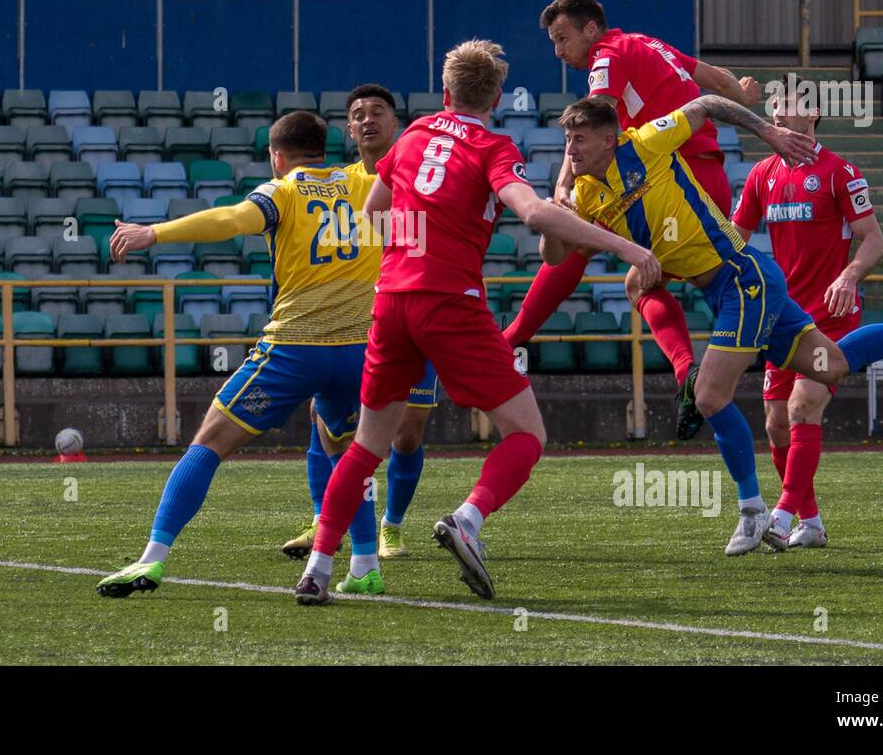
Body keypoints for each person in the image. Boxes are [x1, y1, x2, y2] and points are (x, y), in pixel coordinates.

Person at [294, 39, 662, 605]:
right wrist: (631, 251)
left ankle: (318, 569)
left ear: (445, 91)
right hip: (450, 301)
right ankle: (467, 519)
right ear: (494, 97)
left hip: (391, 301)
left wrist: (411, 253)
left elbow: (370, 219)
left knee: (367, 447)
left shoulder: (413, 134)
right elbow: (537, 213)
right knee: (528, 433)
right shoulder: (493, 145)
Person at [543, 94, 883, 556]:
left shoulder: (646, 144)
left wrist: (767, 132)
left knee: (712, 396)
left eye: (578, 140)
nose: (570, 150)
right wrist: (550, 222)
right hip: (740, 287)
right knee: (832, 366)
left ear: (608, 140)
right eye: (567, 140)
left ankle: (754, 509)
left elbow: (708, 102)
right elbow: (558, 256)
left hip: (744, 281)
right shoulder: (586, 197)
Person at [96, 110, 391, 598]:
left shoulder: (284, 190)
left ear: (277, 157)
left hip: (296, 346)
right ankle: (364, 565)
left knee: (210, 440)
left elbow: (232, 219)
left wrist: (154, 233)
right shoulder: (365, 182)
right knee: (347, 453)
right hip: (360, 350)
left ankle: (152, 560)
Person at [506, 0, 762, 440]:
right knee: (641, 280)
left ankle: (511, 339)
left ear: (591, 30)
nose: (558, 51)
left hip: (675, 181)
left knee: (578, 239)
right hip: (709, 178)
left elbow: (593, 117)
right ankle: (694, 375)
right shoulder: (650, 43)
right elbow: (715, 79)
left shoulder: (607, 55)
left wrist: (563, 185)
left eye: (563, 38)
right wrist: (743, 93)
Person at [281, 84, 439, 563]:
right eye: (357, 115)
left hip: (409, 320)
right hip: (348, 329)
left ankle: (391, 525)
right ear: (348, 130)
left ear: (396, 123)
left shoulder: (420, 180)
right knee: (323, 421)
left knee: (407, 433)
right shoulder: (334, 184)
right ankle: (321, 520)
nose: (367, 119)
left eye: (377, 112)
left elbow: (425, 243)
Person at [731, 76, 883, 549]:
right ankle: (812, 523)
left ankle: (778, 518)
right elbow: (737, 236)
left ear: (814, 115)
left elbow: (874, 238)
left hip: (832, 314)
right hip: (783, 318)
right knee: (776, 422)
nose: (777, 115)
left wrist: (849, 275)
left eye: (788, 107)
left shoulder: (840, 171)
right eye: (774, 107)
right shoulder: (762, 174)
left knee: (803, 407)